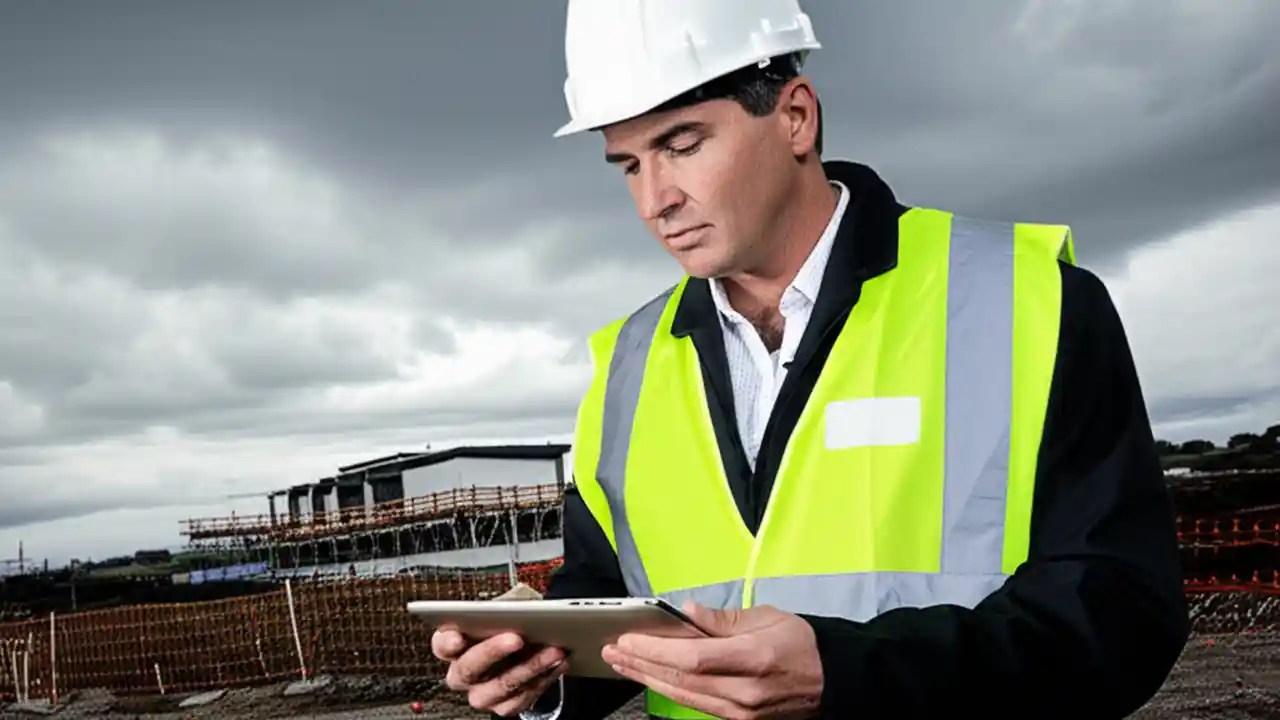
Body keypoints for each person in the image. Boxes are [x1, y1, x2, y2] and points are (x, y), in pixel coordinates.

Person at [431, 1, 1191, 717]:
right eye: (628, 164)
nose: (652, 200)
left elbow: (1122, 615)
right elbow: (612, 598)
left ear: (795, 116)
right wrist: (536, 670)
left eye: (683, 145)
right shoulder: (629, 363)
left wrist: (845, 672)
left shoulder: (1028, 301)